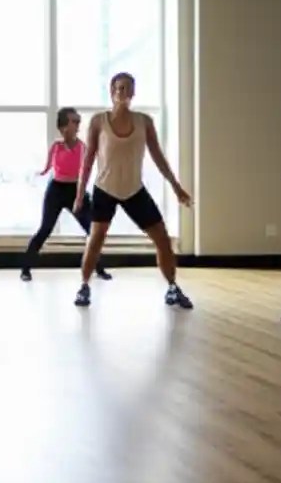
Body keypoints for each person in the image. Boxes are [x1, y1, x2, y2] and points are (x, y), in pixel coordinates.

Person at [74, 72, 192, 309]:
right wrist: (79, 196)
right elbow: (87, 161)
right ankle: (84, 286)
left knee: (162, 238)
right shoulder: (99, 121)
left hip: (134, 190)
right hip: (104, 189)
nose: (124, 92)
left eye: (128, 88)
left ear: (134, 93)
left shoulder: (144, 121)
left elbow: (158, 156)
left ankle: (172, 287)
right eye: (120, 88)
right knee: (95, 239)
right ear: (112, 91)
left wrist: (176, 187)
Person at [20, 107, 112, 282]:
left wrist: (83, 195)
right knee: (45, 229)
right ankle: (25, 269)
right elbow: (47, 168)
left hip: (75, 191)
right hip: (55, 190)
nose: (78, 125)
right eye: (74, 121)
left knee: (92, 231)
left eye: (79, 121)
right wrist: (36, 174)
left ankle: (99, 268)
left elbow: (87, 169)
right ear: (63, 127)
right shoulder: (56, 146)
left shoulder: (83, 147)